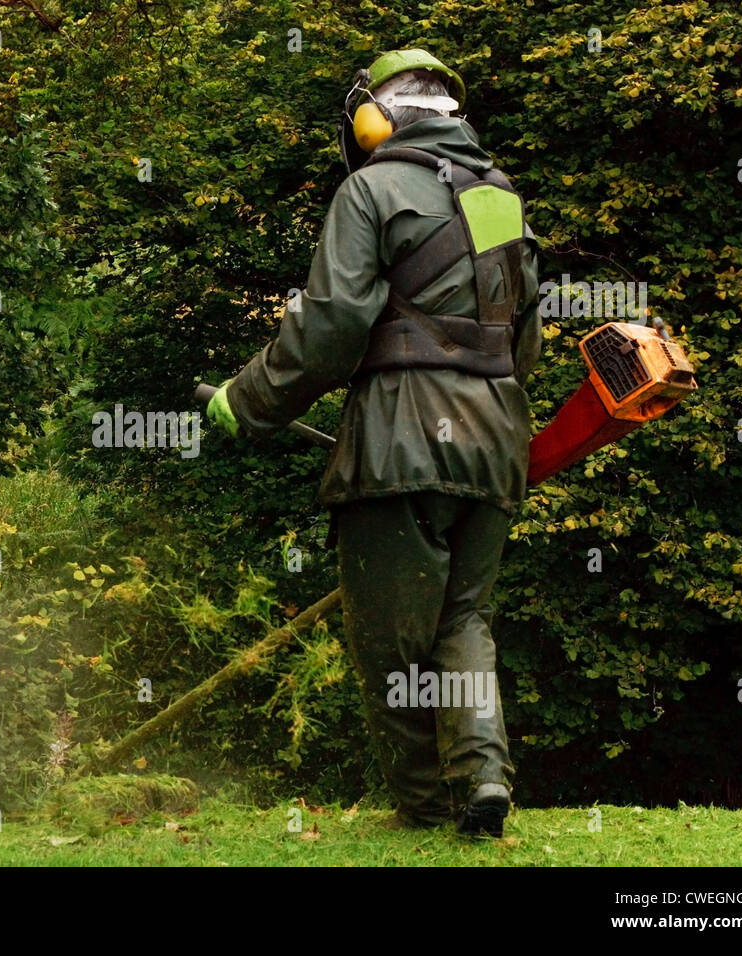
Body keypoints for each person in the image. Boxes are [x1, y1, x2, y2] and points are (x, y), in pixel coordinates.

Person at [206, 49, 542, 838]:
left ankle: (426, 812)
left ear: (374, 117)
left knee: (391, 644)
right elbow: (521, 347)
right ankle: (483, 778)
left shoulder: (369, 190)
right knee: (464, 620)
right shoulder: (506, 203)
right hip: (497, 439)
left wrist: (247, 401)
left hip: (399, 444)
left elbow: (329, 328)